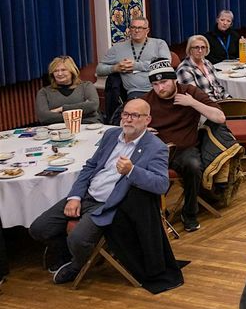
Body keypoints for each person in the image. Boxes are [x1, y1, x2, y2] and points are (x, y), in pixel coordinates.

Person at [29, 97, 170, 284]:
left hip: (109, 204)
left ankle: (76, 265)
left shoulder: (155, 148)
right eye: (125, 114)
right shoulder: (111, 135)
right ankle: (65, 254)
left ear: (147, 120)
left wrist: (132, 171)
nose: (128, 119)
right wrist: (75, 196)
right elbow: (90, 167)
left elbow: (161, 184)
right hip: (87, 195)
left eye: (135, 116)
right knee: (38, 228)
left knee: (78, 240)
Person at [144, 60, 226, 232]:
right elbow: (124, 122)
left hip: (184, 149)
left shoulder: (189, 92)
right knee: (138, 168)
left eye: (164, 82)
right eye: (155, 84)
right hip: (158, 150)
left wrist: (193, 103)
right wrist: (141, 129)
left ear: (174, 80)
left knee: (193, 166)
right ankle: (156, 213)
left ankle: (189, 213)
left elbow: (220, 117)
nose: (160, 88)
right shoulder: (147, 100)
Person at [96, 17, 171, 100]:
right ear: (129, 30)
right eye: (133, 27)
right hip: (135, 93)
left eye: (140, 28)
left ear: (147, 30)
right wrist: (115, 68)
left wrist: (135, 66)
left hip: (160, 89)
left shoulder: (159, 44)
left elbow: (165, 64)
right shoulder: (117, 48)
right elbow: (99, 69)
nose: (136, 30)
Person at [36, 55, 101, 125]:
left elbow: (93, 106)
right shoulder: (43, 92)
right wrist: (85, 113)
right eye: (56, 71)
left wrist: (62, 109)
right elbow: (44, 117)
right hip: (58, 130)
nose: (59, 74)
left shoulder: (86, 86)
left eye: (63, 70)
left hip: (88, 126)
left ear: (72, 71)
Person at [175, 35, 230, 101]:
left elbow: (218, 86)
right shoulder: (184, 70)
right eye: (196, 47)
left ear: (207, 49)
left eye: (203, 47)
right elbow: (194, 97)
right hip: (205, 106)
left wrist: (229, 99)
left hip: (220, 101)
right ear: (190, 50)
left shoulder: (207, 63)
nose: (200, 50)